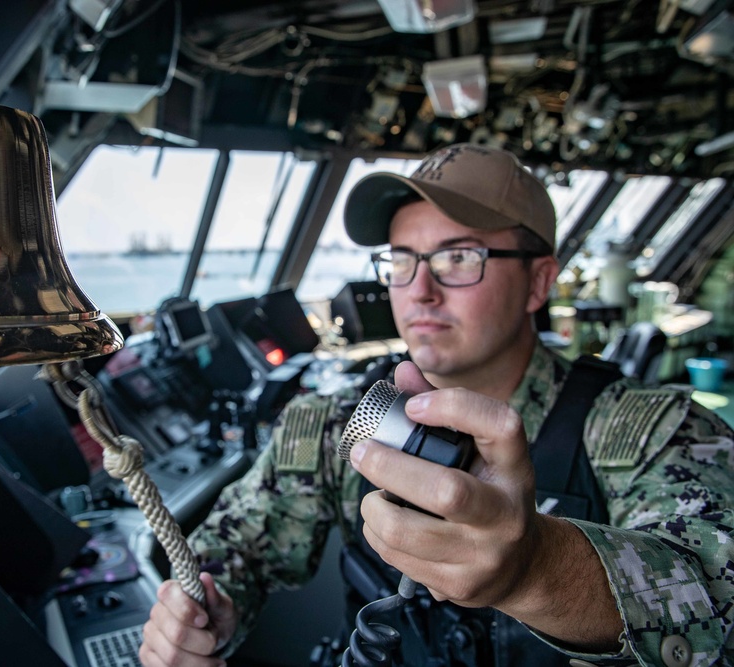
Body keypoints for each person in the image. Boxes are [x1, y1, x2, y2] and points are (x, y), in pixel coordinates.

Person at [138, 143, 734, 667]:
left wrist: (538, 569)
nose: (418, 289)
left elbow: (718, 586)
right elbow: (234, 549)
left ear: (538, 282)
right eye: (402, 260)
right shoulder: (333, 423)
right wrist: (204, 614)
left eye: (458, 257)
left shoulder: (650, 430)